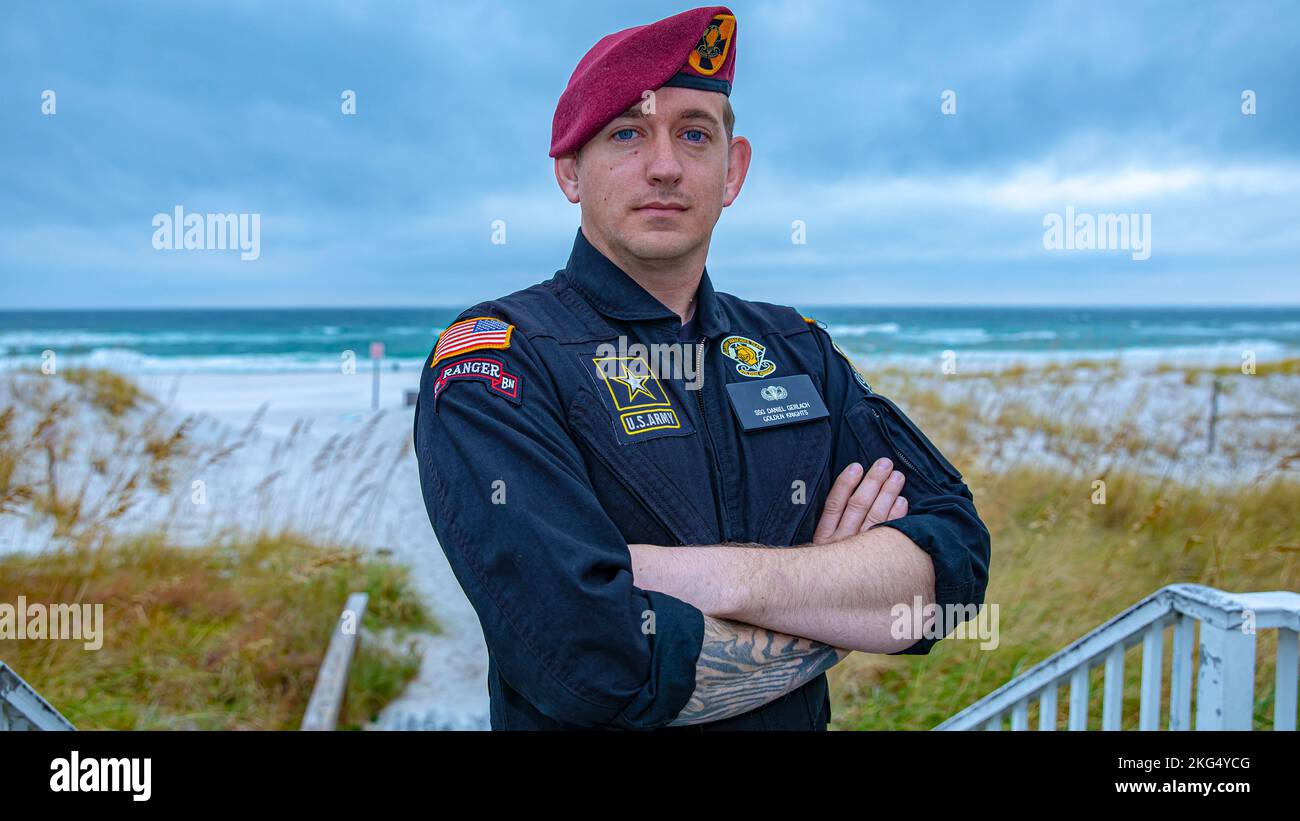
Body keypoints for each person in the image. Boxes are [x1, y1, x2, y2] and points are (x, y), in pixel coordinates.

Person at [413, 5, 990, 731]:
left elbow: (957, 569)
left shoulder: (794, 348)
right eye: (627, 133)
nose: (664, 165)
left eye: (694, 133)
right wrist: (838, 596)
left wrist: (708, 575)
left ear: (732, 169)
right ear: (568, 169)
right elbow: (594, 665)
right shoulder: (497, 362)